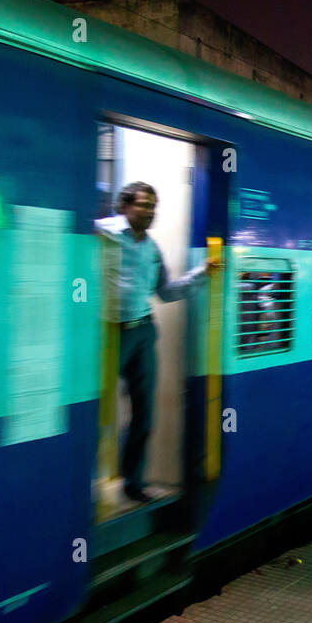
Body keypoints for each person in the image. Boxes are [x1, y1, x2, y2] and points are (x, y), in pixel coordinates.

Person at [96, 181, 218, 502]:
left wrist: (202, 273)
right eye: (144, 205)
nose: (150, 212)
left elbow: (165, 292)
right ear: (125, 205)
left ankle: (133, 483)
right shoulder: (101, 232)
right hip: (108, 333)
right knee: (95, 410)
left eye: (153, 206)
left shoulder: (151, 248)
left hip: (142, 332)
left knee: (144, 414)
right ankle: (84, 487)